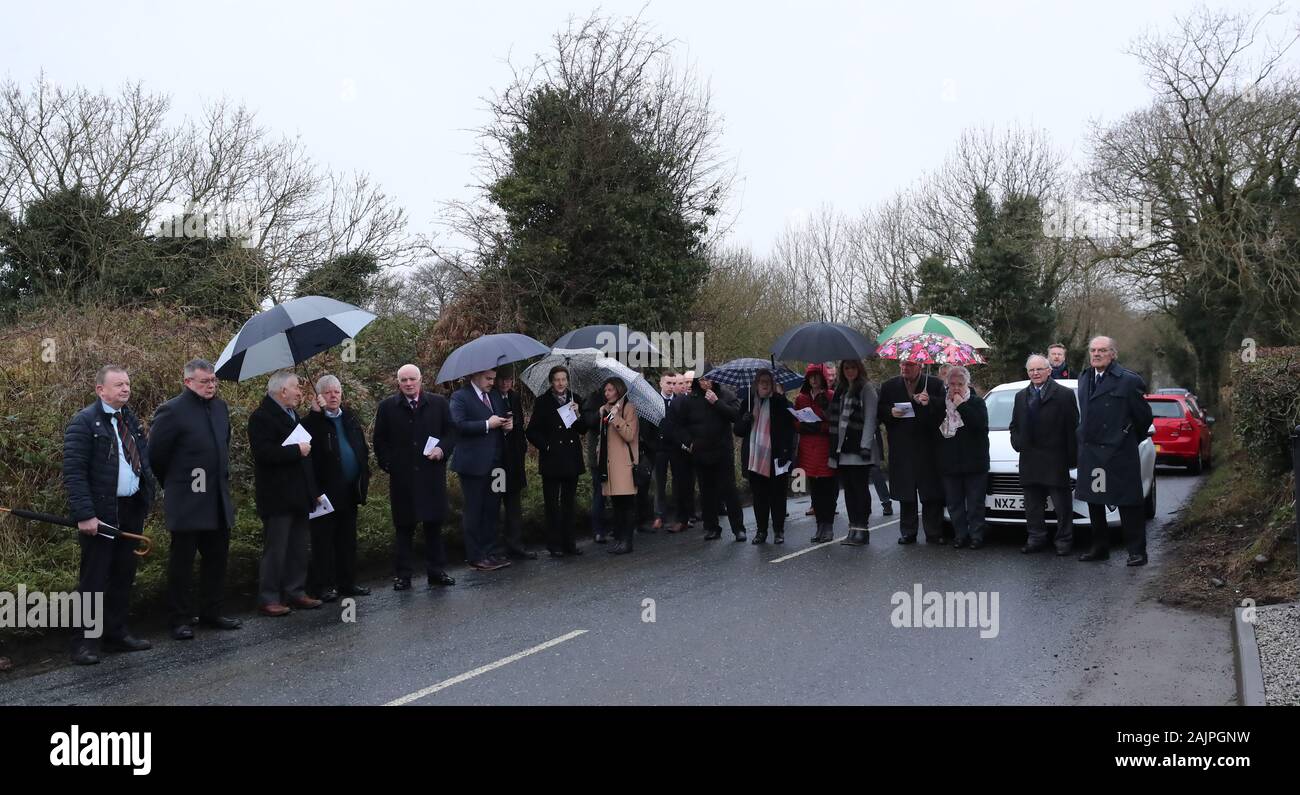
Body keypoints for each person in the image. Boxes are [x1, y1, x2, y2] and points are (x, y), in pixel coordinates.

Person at [62, 365, 156, 664]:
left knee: (123, 574)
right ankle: (84, 643)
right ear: (100, 389)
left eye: (127, 383)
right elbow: (74, 472)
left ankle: (116, 633)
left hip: (130, 508)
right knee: (94, 578)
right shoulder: (85, 421)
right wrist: (85, 514)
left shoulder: (129, 419)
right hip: (100, 512)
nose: (125, 389)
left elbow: (141, 459)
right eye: (118, 385)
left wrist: (146, 494)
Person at [148, 359, 241, 641]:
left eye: (213, 381)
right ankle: (179, 619)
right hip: (187, 501)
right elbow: (156, 456)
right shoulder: (171, 411)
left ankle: (212, 611)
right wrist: (176, 485)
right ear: (188, 382)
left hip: (216, 499)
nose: (211, 386)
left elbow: (222, 444)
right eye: (204, 381)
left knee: (216, 559)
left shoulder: (221, 407)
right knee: (182, 564)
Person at [373, 364, 458, 589]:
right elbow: (379, 441)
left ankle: (436, 571)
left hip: (431, 475)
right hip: (403, 479)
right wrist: (390, 465)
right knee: (404, 528)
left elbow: (451, 432)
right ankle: (403, 575)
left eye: (412, 379)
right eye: (404, 380)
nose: (408, 384)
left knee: (433, 527)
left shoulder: (438, 403)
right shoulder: (387, 407)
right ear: (398, 383)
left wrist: (442, 449)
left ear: (421, 380)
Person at [248, 371, 323, 616]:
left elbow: (308, 453)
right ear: (282, 391)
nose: (300, 392)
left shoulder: (293, 415)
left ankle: (296, 592)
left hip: (300, 494)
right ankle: (268, 597)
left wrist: (314, 491)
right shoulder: (261, 417)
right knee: (276, 549)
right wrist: (294, 450)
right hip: (277, 495)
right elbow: (263, 453)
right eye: (296, 388)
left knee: (299, 547)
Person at [1076, 336, 1153, 566]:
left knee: (1129, 503)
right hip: (1091, 452)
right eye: (1093, 350)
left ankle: (1137, 551)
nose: (1096, 354)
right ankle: (1100, 547)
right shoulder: (1084, 377)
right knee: (1095, 502)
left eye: (1102, 350)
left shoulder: (1129, 381)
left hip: (1119, 453)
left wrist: (1124, 437)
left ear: (1113, 354)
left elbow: (1143, 417)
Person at [302, 374, 371, 600]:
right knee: (323, 541)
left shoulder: (349, 418)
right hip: (325, 493)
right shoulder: (311, 422)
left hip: (351, 489)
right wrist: (315, 414)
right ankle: (322, 586)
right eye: (328, 392)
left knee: (347, 540)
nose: (333, 396)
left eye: (337, 391)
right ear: (319, 396)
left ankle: (347, 583)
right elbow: (305, 456)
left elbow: (361, 447)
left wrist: (364, 474)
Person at [1010, 354, 1078, 555]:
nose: (1035, 373)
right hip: (1029, 459)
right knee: (1032, 506)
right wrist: (1017, 442)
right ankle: (1036, 538)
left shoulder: (1064, 394)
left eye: (1039, 369)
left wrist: (1072, 459)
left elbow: (1072, 428)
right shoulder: (1021, 396)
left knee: (1062, 506)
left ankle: (1064, 540)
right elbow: (1014, 425)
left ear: (1049, 370)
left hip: (1055, 459)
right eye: (1031, 370)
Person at [672, 363, 745, 541]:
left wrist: (717, 403)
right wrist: (689, 443)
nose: (706, 383)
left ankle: (738, 528)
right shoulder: (690, 400)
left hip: (722, 451)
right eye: (702, 379)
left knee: (729, 490)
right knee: (707, 492)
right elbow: (679, 426)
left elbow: (736, 416)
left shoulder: (725, 394)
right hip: (701, 452)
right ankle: (711, 527)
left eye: (708, 378)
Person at [450, 368, 513, 571]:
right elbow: (458, 425)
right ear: (474, 376)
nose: (492, 382)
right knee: (474, 510)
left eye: (493, 379)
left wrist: (507, 426)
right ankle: (475, 556)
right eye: (488, 378)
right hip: (472, 465)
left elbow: (500, 420)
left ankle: (491, 552)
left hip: (497, 464)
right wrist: (487, 424)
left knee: (492, 509)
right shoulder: (460, 397)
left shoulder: (494, 395)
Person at [878, 359, 947, 544]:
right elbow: (880, 410)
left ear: (920, 365)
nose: (904, 368)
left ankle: (934, 532)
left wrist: (929, 401)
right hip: (902, 448)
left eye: (909, 364)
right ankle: (908, 531)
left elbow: (943, 410)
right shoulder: (889, 386)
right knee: (906, 492)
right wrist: (890, 412)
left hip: (928, 447)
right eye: (902, 364)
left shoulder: (934, 384)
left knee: (931, 493)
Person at [525, 365, 587, 557]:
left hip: (571, 458)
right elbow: (532, 431)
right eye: (557, 380)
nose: (560, 383)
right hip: (552, 460)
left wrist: (578, 414)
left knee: (569, 503)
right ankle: (554, 544)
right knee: (552, 504)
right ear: (551, 382)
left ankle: (570, 543)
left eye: (563, 379)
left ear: (567, 380)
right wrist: (546, 446)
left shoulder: (575, 398)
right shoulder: (543, 401)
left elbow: (583, 429)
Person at [734, 369, 795, 544]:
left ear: (773, 383)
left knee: (778, 496)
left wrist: (786, 452)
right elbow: (737, 430)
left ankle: (779, 530)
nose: (765, 384)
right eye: (761, 381)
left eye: (768, 381)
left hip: (776, 457)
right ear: (756, 384)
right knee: (759, 498)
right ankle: (761, 531)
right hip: (755, 458)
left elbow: (789, 430)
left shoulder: (780, 403)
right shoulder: (747, 403)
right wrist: (745, 420)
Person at [827, 359, 882, 546]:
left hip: (859, 448)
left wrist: (865, 446)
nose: (850, 371)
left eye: (853, 367)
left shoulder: (866, 388)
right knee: (849, 491)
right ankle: (853, 528)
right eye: (846, 368)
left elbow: (870, 420)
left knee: (860, 490)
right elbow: (835, 418)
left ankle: (863, 529)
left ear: (859, 369)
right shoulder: (840, 389)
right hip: (842, 448)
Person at [937, 366, 990, 549]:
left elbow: (979, 425)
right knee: (954, 503)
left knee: (975, 503)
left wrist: (961, 405)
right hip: (950, 463)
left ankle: (977, 535)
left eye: (960, 384)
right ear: (947, 384)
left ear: (967, 384)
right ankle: (960, 534)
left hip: (974, 463)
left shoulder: (976, 403)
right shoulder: (941, 405)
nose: (956, 388)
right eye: (952, 384)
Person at [495, 369, 536, 560]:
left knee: (514, 504)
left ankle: (516, 545)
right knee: (496, 504)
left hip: (514, 459)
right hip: (498, 462)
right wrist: (503, 429)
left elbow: (519, 424)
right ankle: (498, 547)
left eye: (508, 380)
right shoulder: (491, 397)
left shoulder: (515, 397)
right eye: (501, 380)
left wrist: (521, 446)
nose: (505, 384)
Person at [596, 377, 640, 554]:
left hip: (624, 464)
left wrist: (616, 418)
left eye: (611, 390)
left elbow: (630, 435)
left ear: (619, 391)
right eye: (605, 390)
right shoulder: (604, 410)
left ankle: (627, 541)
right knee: (616, 505)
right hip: (608, 464)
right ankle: (619, 539)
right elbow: (603, 436)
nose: (607, 393)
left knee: (626, 504)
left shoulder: (629, 408)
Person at [795, 363, 838, 542]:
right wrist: (803, 425)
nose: (813, 380)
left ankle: (828, 526)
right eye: (811, 376)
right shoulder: (801, 398)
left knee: (827, 488)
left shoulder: (830, 396)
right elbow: (795, 421)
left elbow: (835, 422)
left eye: (816, 376)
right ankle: (819, 526)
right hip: (807, 448)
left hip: (824, 447)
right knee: (815, 490)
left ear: (822, 378)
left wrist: (820, 425)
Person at [669, 372, 696, 532]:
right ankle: (682, 518)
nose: (687, 385)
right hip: (680, 449)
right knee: (681, 484)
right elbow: (674, 427)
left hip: (701, 446)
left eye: (689, 382)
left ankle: (697, 516)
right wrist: (686, 444)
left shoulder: (701, 400)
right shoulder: (677, 402)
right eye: (683, 382)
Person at [651, 370, 678, 532]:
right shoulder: (654, 402)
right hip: (659, 448)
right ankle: (659, 515)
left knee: (677, 482)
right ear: (661, 384)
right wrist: (652, 444)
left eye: (673, 383)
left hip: (675, 448)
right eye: (668, 383)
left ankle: (677, 516)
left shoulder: (679, 401)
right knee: (659, 483)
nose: (671, 386)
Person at [870, 431, 893, 516]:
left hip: (870, 436)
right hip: (853, 437)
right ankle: (863, 505)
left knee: (875, 470)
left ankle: (886, 502)